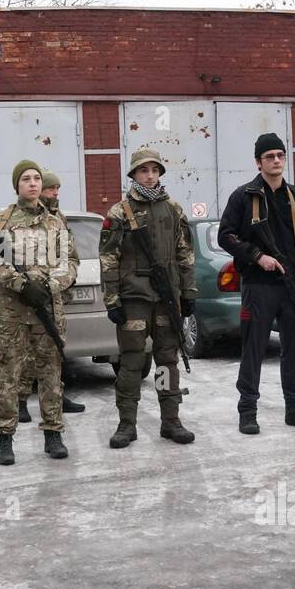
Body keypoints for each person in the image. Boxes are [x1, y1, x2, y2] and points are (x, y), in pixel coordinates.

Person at [218, 132, 295, 434]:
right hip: (258, 285)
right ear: (258, 162)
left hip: (292, 286)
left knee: (293, 350)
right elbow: (225, 235)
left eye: (280, 155)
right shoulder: (243, 196)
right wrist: (257, 256)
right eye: (269, 157)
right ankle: (247, 412)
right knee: (253, 350)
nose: (276, 161)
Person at [99, 147, 197, 449]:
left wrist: (189, 292)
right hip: (134, 300)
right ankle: (126, 424)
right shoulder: (119, 212)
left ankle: (170, 422)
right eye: (144, 170)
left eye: (155, 170)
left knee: (167, 362)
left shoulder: (174, 209)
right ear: (134, 174)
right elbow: (108, 258)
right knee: (131, 363)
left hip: (167, 298)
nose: (150, 175)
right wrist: (112, 299)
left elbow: (185, 254)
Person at [0, 160, 78, 465]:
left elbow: (71, 261)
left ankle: (53, 433)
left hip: (48, 310)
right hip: (12, 312)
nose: (33, 183)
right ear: (17, 185)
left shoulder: (56, 222)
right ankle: (4, 437)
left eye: (37, 178)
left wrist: (50, 285)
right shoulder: (0, 221)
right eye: (25, 178)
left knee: (51, 374)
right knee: (8, 375)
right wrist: (21, 285)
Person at [18, 168, 86, 421]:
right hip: (29, 298)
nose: (55, 193)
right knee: (27, 354)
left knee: (55, 348)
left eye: (57, 188)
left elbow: (70, 254)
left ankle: (57, 395)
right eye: (50, 188)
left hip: (55, 295)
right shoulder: (23, 219)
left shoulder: (59, 218)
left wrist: (61, 282)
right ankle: (21, 399)